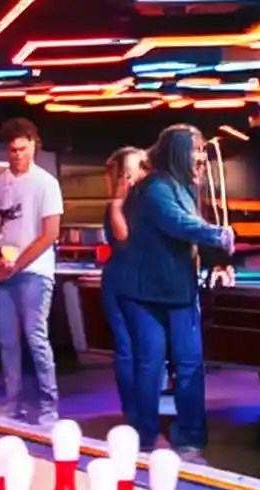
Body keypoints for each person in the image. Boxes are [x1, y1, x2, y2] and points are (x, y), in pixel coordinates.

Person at [117, 124, 235, 459]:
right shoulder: (156, 188)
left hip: (178, 291)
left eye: (201, 150)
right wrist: (217, 235)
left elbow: (191, 230)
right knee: (151, 365)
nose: (201, 157)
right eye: (195, 149)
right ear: (177, 153)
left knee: (189, 365)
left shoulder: (184, 188)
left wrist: (217, 261)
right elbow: (178, 224)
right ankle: (144, 436)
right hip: (145, 295)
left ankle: (192, 436)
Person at [0, 118, 64, 425]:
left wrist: (16, 263)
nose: (17, 154)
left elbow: (50, 233)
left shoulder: (46, 183)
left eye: (23, 148)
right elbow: (0, 225)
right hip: (7, 270)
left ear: (34, 145)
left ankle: (49, 406)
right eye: (13, 150)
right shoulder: (0, 181)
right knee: (7, 340)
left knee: (35, 337)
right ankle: (12, 402)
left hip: (35, 271)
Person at [101, 146, 148, 427]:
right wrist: (118, 202)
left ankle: (138, 413)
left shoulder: (141, 200)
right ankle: (135, 415)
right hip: (124, 281)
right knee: (130, 350)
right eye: (130, 171)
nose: (138, 175)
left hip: (128, 279)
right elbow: (122, 236)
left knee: (136, 350)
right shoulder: (120, 204)